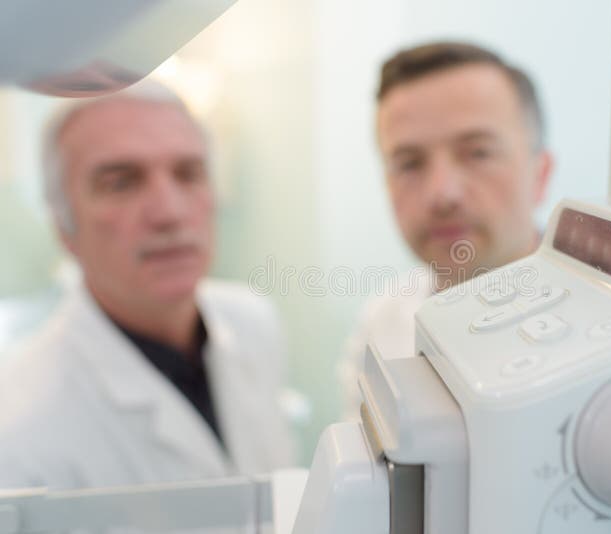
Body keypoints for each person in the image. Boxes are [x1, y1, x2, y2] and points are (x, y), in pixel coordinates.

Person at [0, 82, 295, 490]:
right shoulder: (19, 431)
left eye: (188, 174)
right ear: (64, 227)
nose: (169, 212)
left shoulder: (252, 321)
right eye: (121, 182)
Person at [339, 41, 554, 419]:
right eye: (409, 163)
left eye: (477, 153)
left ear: (540, 174)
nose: (442, 194)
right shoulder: (383, 321)